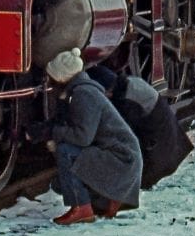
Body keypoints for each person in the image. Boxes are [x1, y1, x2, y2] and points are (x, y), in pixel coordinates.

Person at [26, 48, 142, 225]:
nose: (49, 81)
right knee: (66, 157)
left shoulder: (83, 94)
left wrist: (53, 133)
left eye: (52, 76)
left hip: (122, 160)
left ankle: (81, 208)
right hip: (121, 157)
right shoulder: (78, 91)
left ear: (62, 77)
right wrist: (42, 130)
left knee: (65, 150)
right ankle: (107, 199)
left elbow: (82, 137)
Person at [86, 64, 193, 187]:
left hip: (158, 154)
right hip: (171, 142)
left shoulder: (127, 103)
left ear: (107, 92)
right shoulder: (130, 82)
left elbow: (125, 136)